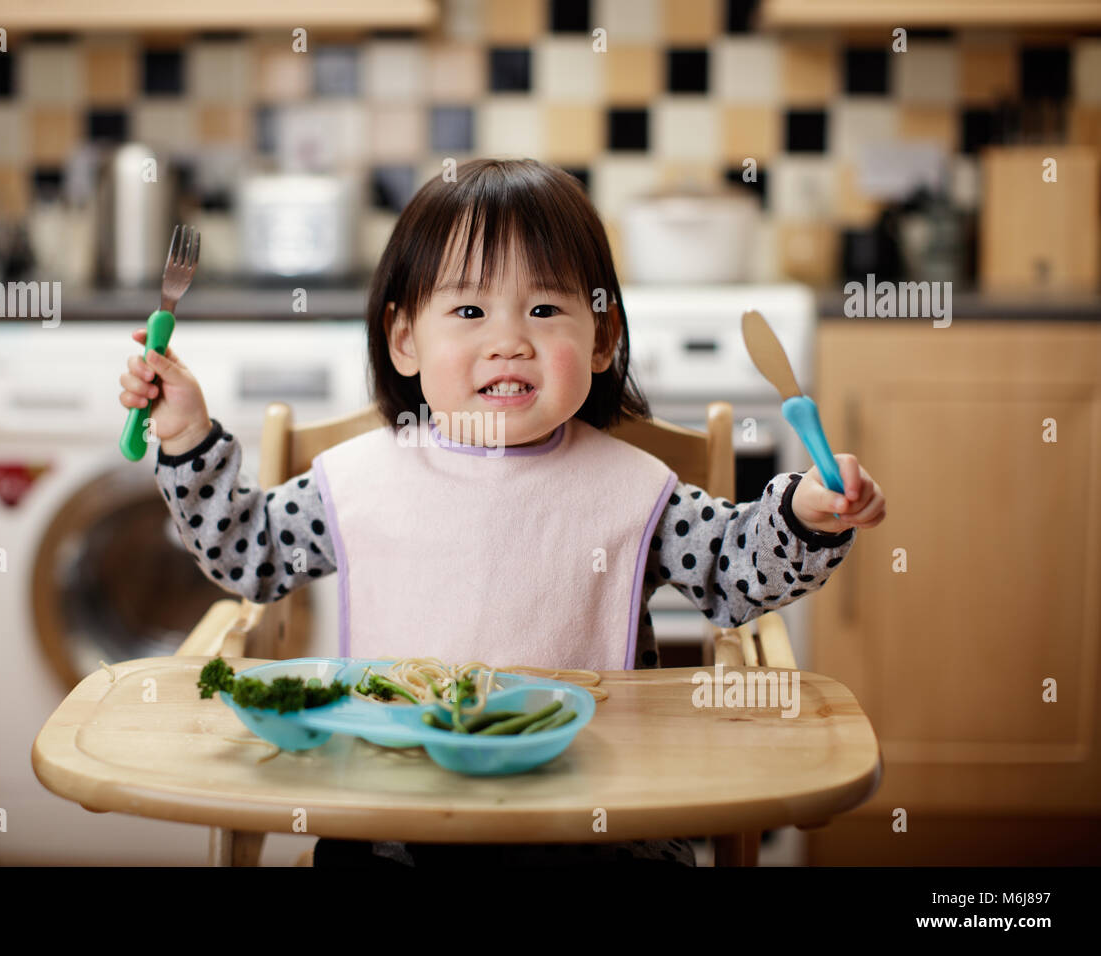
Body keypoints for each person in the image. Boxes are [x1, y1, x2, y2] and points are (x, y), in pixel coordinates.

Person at [118, 158, 886, 868]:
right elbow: (247, 553)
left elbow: (734, 571)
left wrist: (807, 514)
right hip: (390, 821)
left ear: (602, 339)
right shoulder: (354, 482)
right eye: (471, 310)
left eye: (546, 308)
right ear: (405, 338)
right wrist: (186, 434)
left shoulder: (634, 489)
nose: (510, 341)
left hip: (600, 822)